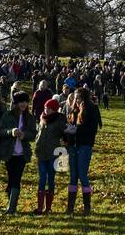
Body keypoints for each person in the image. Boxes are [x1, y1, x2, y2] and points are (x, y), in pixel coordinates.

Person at [0, 90, 38, 214]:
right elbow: (0, 131)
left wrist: (24, 135)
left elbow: (33, 134)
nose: (24, 104)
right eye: (21, 101)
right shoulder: (7, 115)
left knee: (17, 179)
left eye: (26, 101)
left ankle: (12, 208)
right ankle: (10, 203)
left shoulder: (30, 117)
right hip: (9, 152)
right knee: (11, 179)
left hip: (22, 154)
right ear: (16, 103)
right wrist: (11, 132)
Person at [64, 86, 102, 214]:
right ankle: (70, 207)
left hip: (85, 144)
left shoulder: (91, 109)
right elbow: (70, 125)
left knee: (82, 174)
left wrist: (76, 130)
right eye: (76, 97)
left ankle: (87, 207)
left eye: (79, 97)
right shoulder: (74, 110)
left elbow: (92, 129)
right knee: (73, 175)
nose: (77, 100)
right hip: (73, 145)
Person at [33, 96, 65, 213]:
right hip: (41, 153)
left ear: (54, 110)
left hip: (53, 154)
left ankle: (48, 207)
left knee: (50, 178)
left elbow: (64, 134)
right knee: (42, 178)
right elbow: (38, 134)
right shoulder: (42, 118)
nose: (46, 110)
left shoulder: (59, 120)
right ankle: (40, 207)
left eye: (49, 108)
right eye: (46, 108)